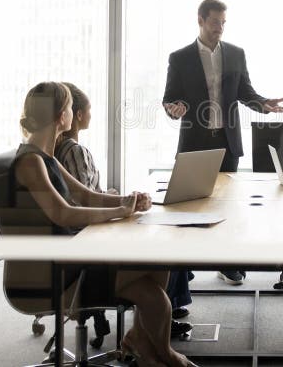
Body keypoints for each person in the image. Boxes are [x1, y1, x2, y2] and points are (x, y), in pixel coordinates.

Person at [13, 81, 197, 367]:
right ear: (62, 115)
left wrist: (129, 201)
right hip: (61, 266)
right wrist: (119, 212)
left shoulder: (45, 156)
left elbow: (85, 194)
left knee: (162, 263)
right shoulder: (30, 162)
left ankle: (140, 342)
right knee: (157, 300)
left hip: (76, 250)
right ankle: (164, 355)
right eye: (71, 107)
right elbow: (62, 214)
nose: (74, 112)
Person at [162, 0, 283, 285]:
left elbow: (246, 92)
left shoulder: (235, 53)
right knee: (191, 205)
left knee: (228, 205)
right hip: (195, 141)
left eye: (223, 22)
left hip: (227, 141)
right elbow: (170, 98)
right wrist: (174, 107)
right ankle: (183, 270)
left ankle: (228, 263)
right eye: (215, 21)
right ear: (201, 20)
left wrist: (263, 104)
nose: (220, 27)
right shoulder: (180, 58)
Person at [55, 82, 192, 338]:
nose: (90, 114)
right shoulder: (74, 152)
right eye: (87, 109)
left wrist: (120, 200)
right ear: (76, 115)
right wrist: (122, 206)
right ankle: (158, 321)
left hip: (78, 238)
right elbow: (82, 204)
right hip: (88, 240)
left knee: (161, 239)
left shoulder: (52, 154)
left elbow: (83, 195)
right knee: (166, 245)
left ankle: (153, 325)